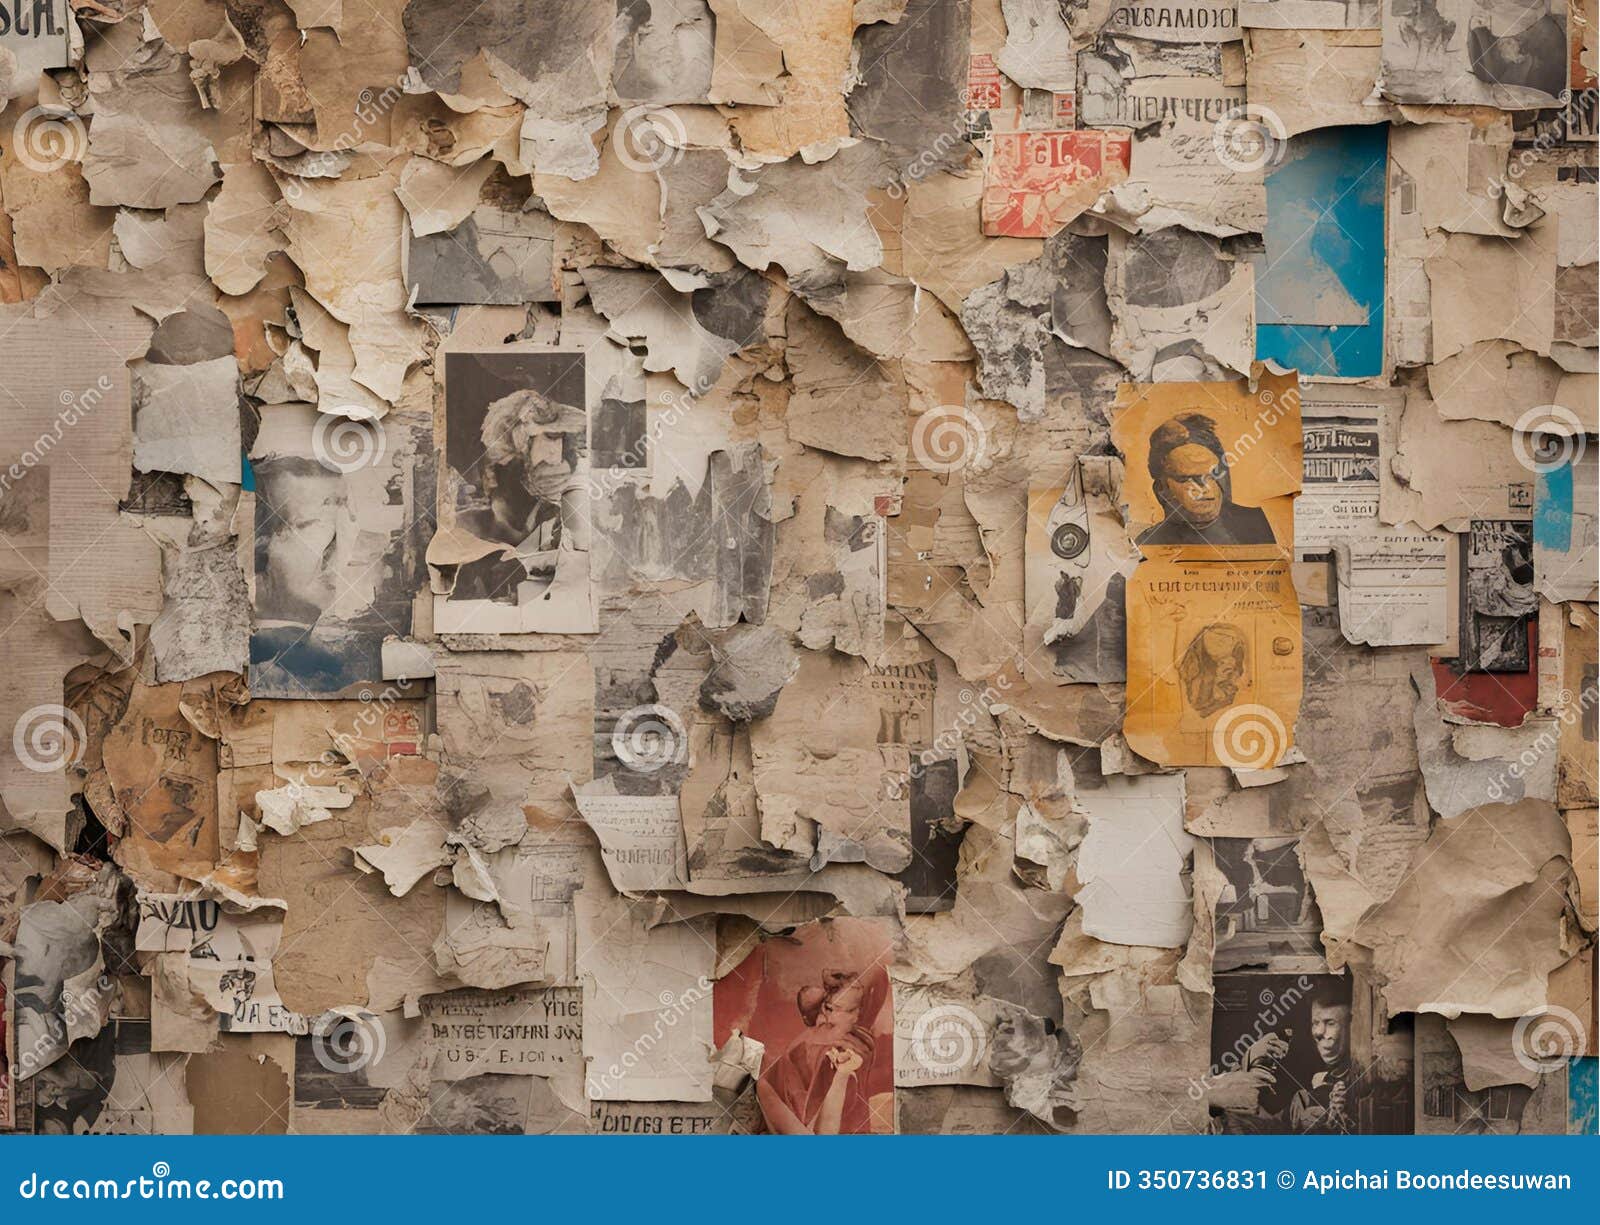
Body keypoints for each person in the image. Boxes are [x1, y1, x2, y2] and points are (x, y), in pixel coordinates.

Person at [756, 967, 890, 1134]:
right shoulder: (817, 1050)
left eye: (854, 1009)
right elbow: (817, 1124)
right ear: (826, 1011)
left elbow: (880, 980)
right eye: (845, 1009)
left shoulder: (858, 1038)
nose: (856, 1016)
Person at [1136, 413, 1275, 547]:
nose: (1204, 486)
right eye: (1186, 478)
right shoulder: (1148, 543)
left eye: (1212, 475)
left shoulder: (1259, 526)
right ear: (1160, 489)